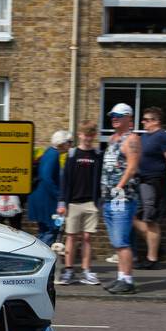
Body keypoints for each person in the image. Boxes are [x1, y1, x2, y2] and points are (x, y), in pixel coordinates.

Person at [101, 103, 142, 294]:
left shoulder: (132, 139)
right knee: (116, 241)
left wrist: (118, 187)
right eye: (112, 115)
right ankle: (120, 277)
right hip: (109, 198)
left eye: (118, 115)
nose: (114, 118)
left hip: (122, 198)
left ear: (128, 118)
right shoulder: (113, 138)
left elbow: (132, 167)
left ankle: (127, 280)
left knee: (121, 241)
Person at [132, 107, 166, 268]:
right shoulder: (144, 137)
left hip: (156, 182)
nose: (143, 122)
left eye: (146, 119)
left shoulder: (162, 136)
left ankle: (152, 259)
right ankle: (155, 245)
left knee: (150, 219)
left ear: (155, 121)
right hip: (141, 181)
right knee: (133, 216)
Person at [57, 121, 103, 286]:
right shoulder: (72, 154)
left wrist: (100, 201)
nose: (88, 138)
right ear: (79, 135)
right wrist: (62, 202)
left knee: (87, 238)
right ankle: (69, 270)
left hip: (91, 202)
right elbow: (65, 180)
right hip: (73, 203)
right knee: (71, 237)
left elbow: (101, 180)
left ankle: (86, 271)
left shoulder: (98, 155)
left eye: (91, 135)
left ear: (94, 136)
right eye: (85, 134)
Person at [29, 130, 72, 244]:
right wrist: (59, 196)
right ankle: (40, 256)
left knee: (45, 230)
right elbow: (46, 177)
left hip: (41, 198)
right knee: (51, 230)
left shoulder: (49, 152)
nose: (70, 145)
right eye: (69, 142)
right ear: (62, 143)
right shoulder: (53, 155)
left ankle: (36, 256)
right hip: (46, 200)